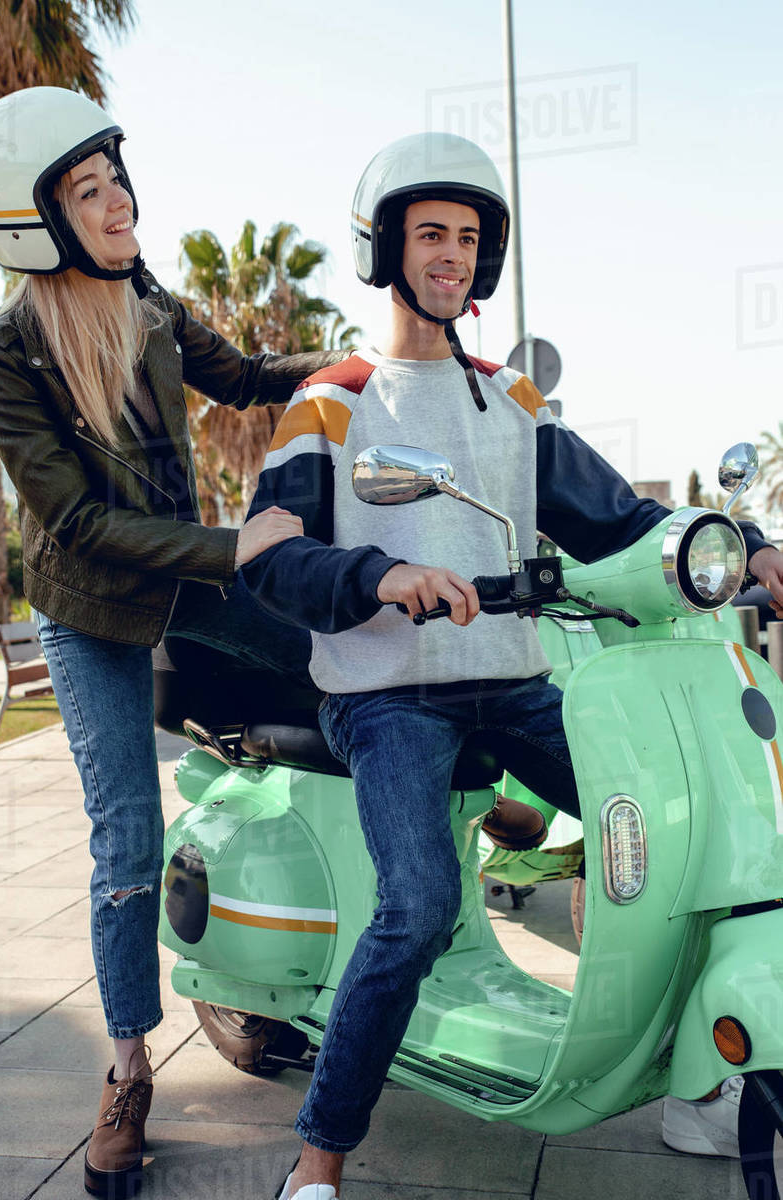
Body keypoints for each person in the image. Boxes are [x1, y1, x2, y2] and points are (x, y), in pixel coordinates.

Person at [240, 131, 783, 1199]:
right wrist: (378, 578)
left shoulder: (510, 400)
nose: (451, 254)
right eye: (430, 233)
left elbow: (616, 514)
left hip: (512, 677)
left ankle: (704, 1079)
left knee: (681, 833)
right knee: (417, 905)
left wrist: (742, 548)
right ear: (386, 248)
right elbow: (265, 551)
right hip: (388, 697)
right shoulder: (336, 397)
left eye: (469, 239)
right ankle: (317, 1162)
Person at [0, 85, 349, 1200]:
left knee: (347, 668)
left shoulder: (147, 298)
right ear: (37, 221)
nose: (119, 198)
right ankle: (128, 1065)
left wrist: (351, 365)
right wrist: (231, 546)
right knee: (126, 838)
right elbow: (75, 523)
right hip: (92, 612)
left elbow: (239, 378)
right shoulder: (7, 354)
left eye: (115, 173)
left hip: (187, 580)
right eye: (88, 188)